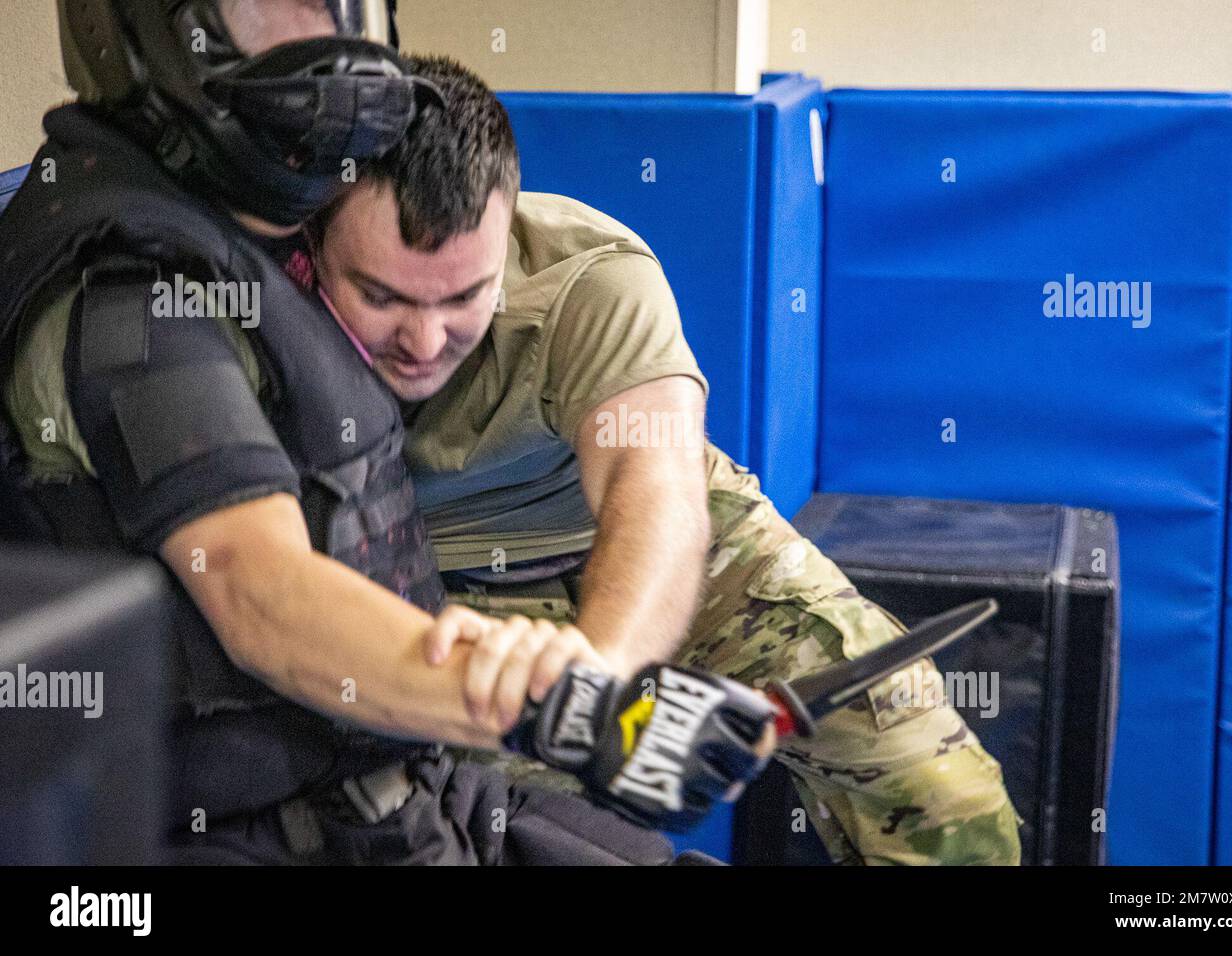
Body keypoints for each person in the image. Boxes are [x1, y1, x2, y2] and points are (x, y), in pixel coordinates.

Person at [0, 0, 772, 865]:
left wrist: (590, 675)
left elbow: (654, 484)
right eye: (271, 7)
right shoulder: (133, 284)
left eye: (342, 4)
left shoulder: (253, 223)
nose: (326, 39)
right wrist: (556, 704)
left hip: (391, 786)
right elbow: (260, 593)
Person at [306, 53, 1023, 865]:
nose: (425, 341)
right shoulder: (254, 317)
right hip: (432, 595)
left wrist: (603, 684)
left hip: (658, 554)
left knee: (943, 797)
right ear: (313, 247)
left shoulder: (589, 280)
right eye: (383, 297)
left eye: (463, 298)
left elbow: (656, 496)